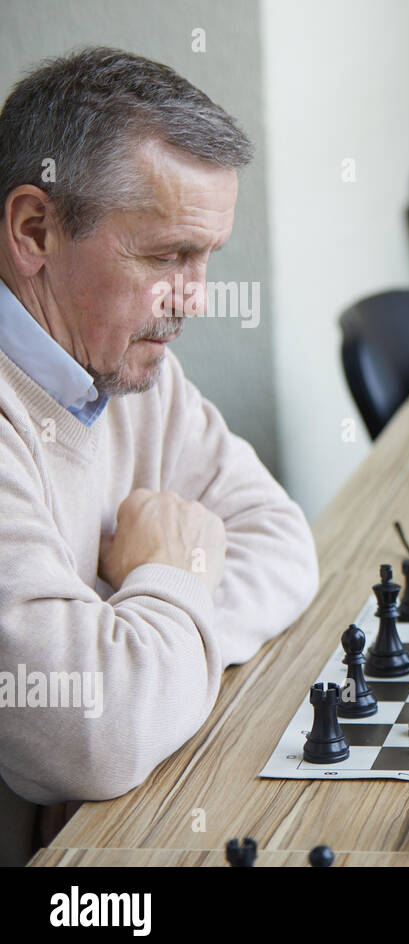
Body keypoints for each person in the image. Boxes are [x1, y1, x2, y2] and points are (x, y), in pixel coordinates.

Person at [0, 48, 318, 864]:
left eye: (207, 256)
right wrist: (169, 584)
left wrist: (132, 631)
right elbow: (94, 731)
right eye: (167, 255)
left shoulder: (133, 370)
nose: (195, 298)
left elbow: (283, 542)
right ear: (35, 230)